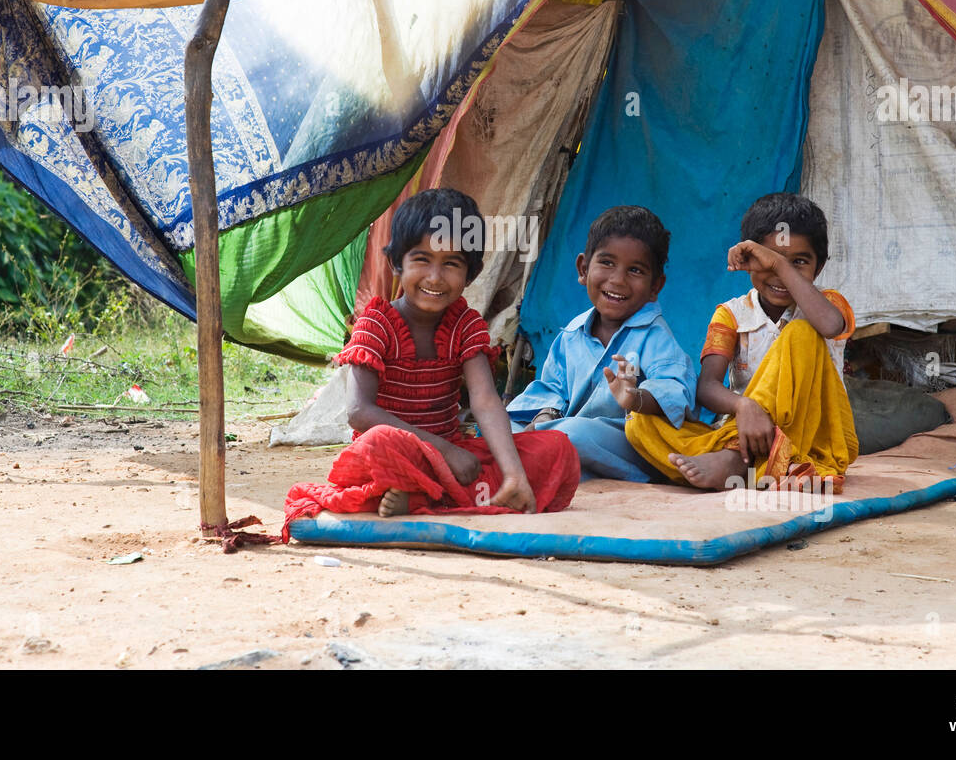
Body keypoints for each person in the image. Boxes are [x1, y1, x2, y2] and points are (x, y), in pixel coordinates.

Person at [281, 189, 579, 535]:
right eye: (422, 259)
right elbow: (359, 412)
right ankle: (444, 496)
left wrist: (513, 472)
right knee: (379, 445)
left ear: (470, 274)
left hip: (452, 458)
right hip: (399, 456)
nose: (435, 277)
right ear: (397, 263)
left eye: (451, 263)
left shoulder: (465, 325)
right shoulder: (375, 324)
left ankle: (431, 497)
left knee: (557, 447)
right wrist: (444, 451)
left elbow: (484, 400)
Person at [626, 192, 858, 492]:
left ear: (820, 266)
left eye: (797, 262)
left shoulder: (827, 306)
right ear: (749, 261)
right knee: (639, 423)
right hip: (748, 430)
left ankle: (736, 462)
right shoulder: (731, 314)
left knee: (801, 334)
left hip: (812, 436)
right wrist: (745, 406)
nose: (780, 275)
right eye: (767, 261)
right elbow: (707, 387)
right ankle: (752, 462)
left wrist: (776, 262)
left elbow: (828, 326)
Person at [507, 206, 695, 482]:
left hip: (628, 444)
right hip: (568, 432)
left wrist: (636, 398)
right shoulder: (571, 335)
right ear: (583, 269)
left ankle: (544, 454)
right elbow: (551, 389)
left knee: (573, 435)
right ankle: (546, 454)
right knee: (502, 429)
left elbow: (677, 393)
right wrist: (546, 414)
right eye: (607, 263)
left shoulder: (654, 338)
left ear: (656, 286)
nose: (618, 280)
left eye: (635, 270)